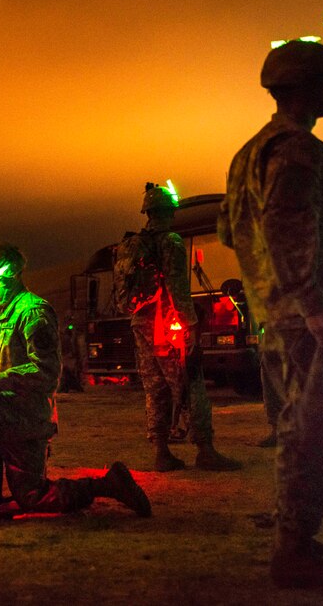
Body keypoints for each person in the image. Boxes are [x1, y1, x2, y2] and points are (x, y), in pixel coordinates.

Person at [218, 38, 323, 589]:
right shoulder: (298, 149)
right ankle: (293, 553)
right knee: (318, 430)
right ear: (303, 89)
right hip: (308, 316)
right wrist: (315, 305)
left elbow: (234, 231)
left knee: (297, 425)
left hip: (278, 313)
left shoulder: (246, 154)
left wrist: (270, 286)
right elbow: (284, 223)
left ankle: (295, 540)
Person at [0, 242, 151, 524]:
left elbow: (46, 371)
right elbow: (2, 368)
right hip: (10, 412)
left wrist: (0, 381)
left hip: (24, 416)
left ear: (9, 276)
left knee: (30, 495)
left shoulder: (33, 313)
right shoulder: (10, 312)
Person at [115, 184, 241, 473]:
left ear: (147, 212)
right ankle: (205, 450)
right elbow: (176, 286)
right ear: (169, 211)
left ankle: (161, 452)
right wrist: (190, 324)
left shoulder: (137, 243)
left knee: (155, 388)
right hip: (166, 325)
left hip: (140, 323)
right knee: (189, 381)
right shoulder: (171, 242)